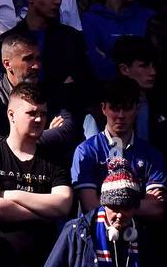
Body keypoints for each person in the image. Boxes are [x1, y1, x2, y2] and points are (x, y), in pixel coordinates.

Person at [0, 83, 73, 267]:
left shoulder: (54, 159)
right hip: (0, 260)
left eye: (43, 114)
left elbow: (63, 205)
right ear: (11, 115)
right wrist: (44, 213)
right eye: (32, 113)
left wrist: (12, 195)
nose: (39, 119)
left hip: (46, 263)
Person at [37, 160, 155, 267]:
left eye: (126, 208)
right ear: (104, 204)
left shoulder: (143, 236)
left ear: (135, 208)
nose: (120, 215)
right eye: (114, 208)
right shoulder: (77, 231)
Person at [71, 82, 165, 218]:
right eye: (115, 108)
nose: (121, 115)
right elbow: (90, 206)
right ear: (103, 108)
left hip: (141, 235)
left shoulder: (151, 154)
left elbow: (156, 207)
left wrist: (106, 203)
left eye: (127, 109)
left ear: (137, 109)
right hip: (98, 234)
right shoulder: (86, 151)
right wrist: (137, 203)